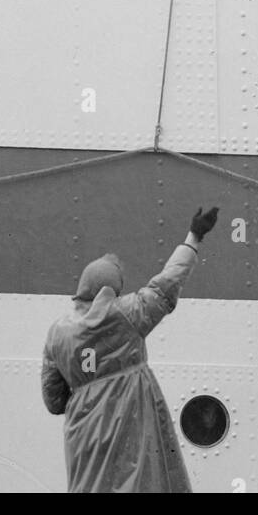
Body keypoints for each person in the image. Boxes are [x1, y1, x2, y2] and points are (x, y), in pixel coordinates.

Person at [41, 205, 219, 493]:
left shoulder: (57, 333)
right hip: (129, 425)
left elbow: (53, 401)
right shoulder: (126, 315)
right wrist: (193, 237)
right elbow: (166, 285)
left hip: (83, 435)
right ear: (111, 289)